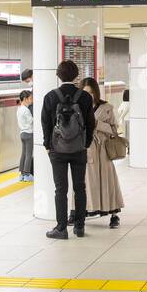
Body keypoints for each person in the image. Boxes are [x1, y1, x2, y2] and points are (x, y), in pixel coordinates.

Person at [40, 60, 95, 239]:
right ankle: (79, 227)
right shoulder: (85, 97)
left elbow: (45, 123)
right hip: (79, 149)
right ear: (76, 75)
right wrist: (85, 144)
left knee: (60, 189)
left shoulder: (50, 97)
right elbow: (90, 123)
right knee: (80, 187)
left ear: (58, 75)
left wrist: (48, 145)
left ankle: (61, 228)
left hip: (57, 150)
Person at [80, 77, 124, 229]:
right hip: (87, 150)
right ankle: (82, 212)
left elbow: (114, 130)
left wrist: (98, 124)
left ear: (96, 93)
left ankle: (114, 214)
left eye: (91, 92)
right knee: (86, 182)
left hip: (104, 151)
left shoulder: (107, 107)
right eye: (85, 93)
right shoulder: (77, 108)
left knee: (108, 181)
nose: (88, 96)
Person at [16, 89, 34, 182]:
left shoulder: (19, 109)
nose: (32, 100)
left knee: (23, 154)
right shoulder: (26, 110)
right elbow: (31, 121)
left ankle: (21, 174)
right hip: (28, 134)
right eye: (30, 98)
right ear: (25, 99)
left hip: (22, 133)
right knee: (29, 155)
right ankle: (27, 174)